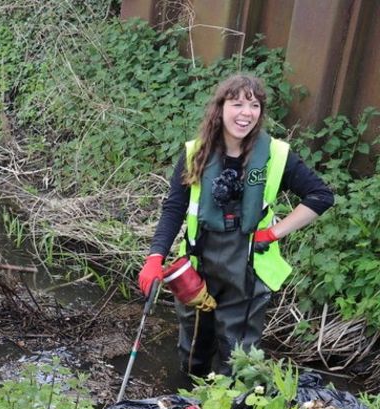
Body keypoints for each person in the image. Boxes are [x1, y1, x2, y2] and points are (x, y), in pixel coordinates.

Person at [138, 74, 333, 377]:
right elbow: (174, 209)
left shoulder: (276, 156)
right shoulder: (195, 153)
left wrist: (273, 232)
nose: (246, 113)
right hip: (197, 268)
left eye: (254, 105)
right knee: (194, 354)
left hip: (248, 271)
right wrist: (155, 257)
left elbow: (321, 196)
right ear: (220, 107)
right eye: (237, 103)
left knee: (240, 359)